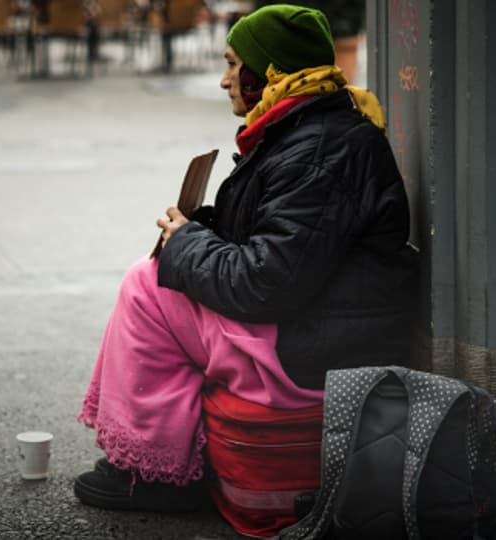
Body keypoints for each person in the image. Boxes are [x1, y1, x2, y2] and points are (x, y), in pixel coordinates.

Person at [74, 2, 418, 515]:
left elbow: (266, 282)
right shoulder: (312, 131)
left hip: (309, 354)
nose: (224, 80)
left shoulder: (320, 148)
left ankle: (158, 471)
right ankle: (160, 453)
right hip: (317, 330)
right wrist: (202, 229)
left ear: (271, 71)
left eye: (234, 64)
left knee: (146, 289)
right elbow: (287, 245)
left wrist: (188, 243)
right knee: (155, 281)